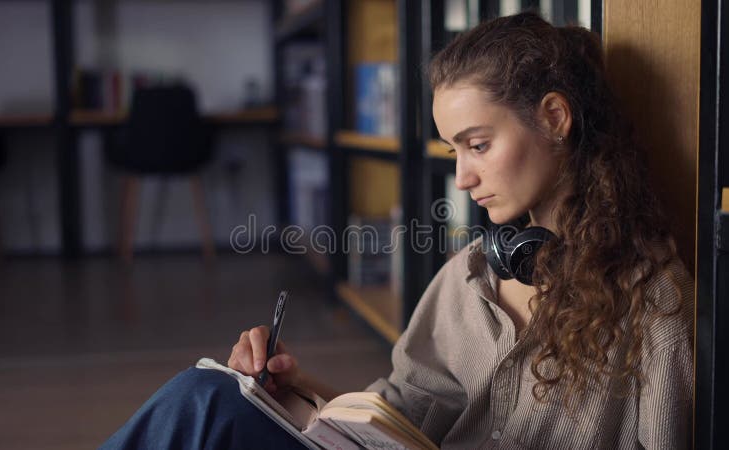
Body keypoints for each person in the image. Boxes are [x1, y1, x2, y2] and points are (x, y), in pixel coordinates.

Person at [100, 12, 693, 450]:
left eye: (478, 145)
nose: (462, 178)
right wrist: (294, 390)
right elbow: (398, 417)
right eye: (454, 151)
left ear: (555, 118)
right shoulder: (469, 278)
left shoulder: (654, 302)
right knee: (208, 400)